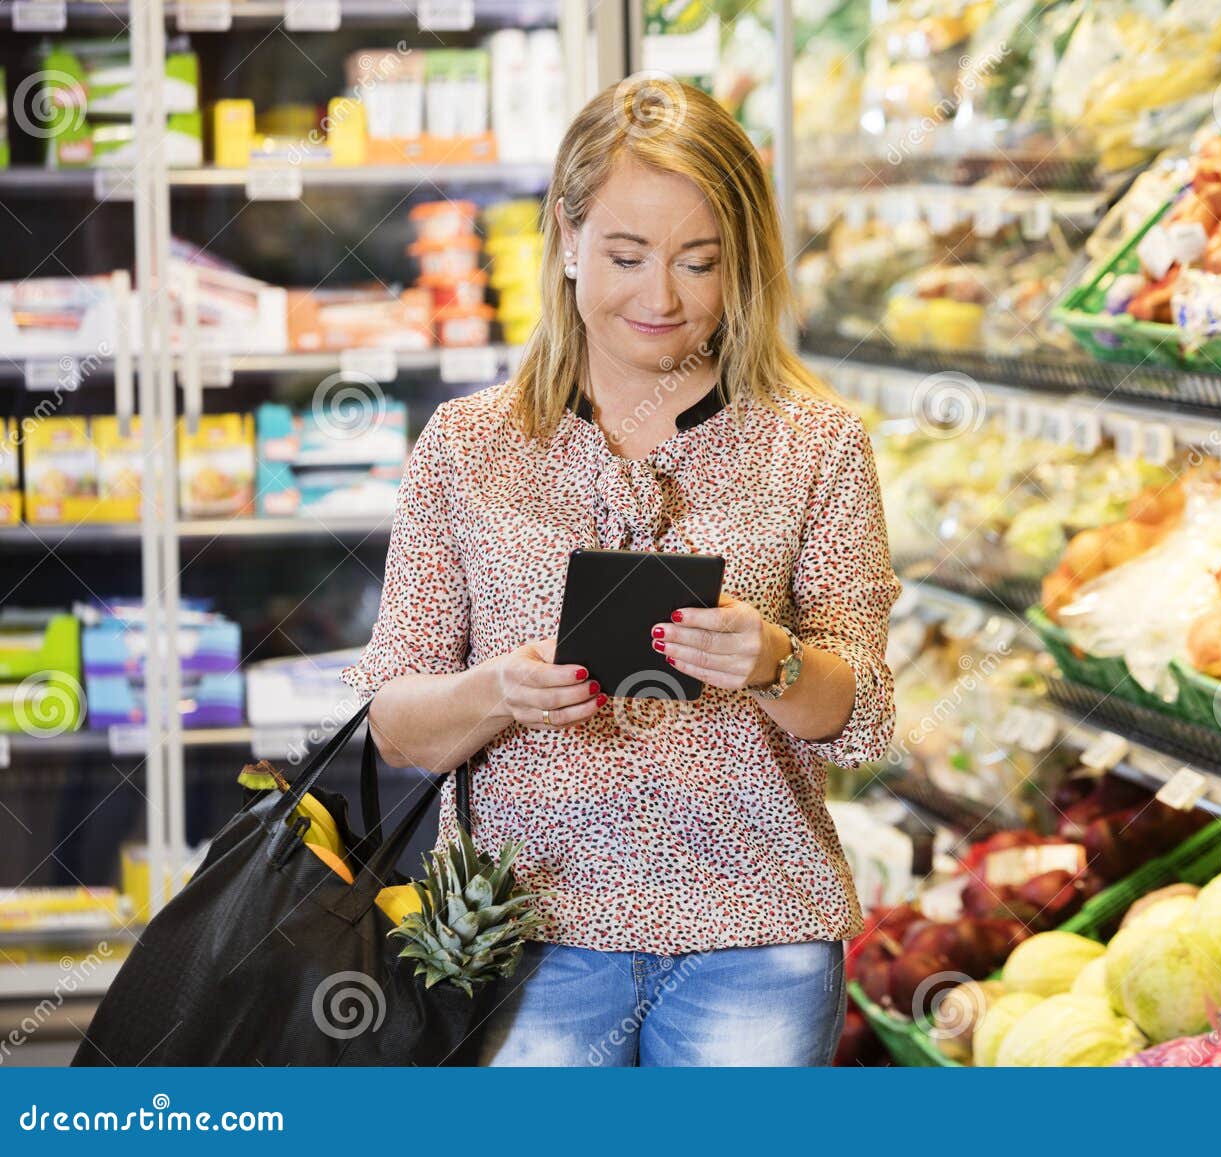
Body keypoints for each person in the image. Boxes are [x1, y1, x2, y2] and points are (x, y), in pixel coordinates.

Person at [340, 75, 900, 1067]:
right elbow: (397, 721)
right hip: (527, 934)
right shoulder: (468, 444)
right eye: (627, 255)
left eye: (699, 262)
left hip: (758, 932)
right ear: (566, 236)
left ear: (745, 267)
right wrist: (496, 690)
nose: (662, 298)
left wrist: (772, 661)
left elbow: (855, 716)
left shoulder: (814, 444)